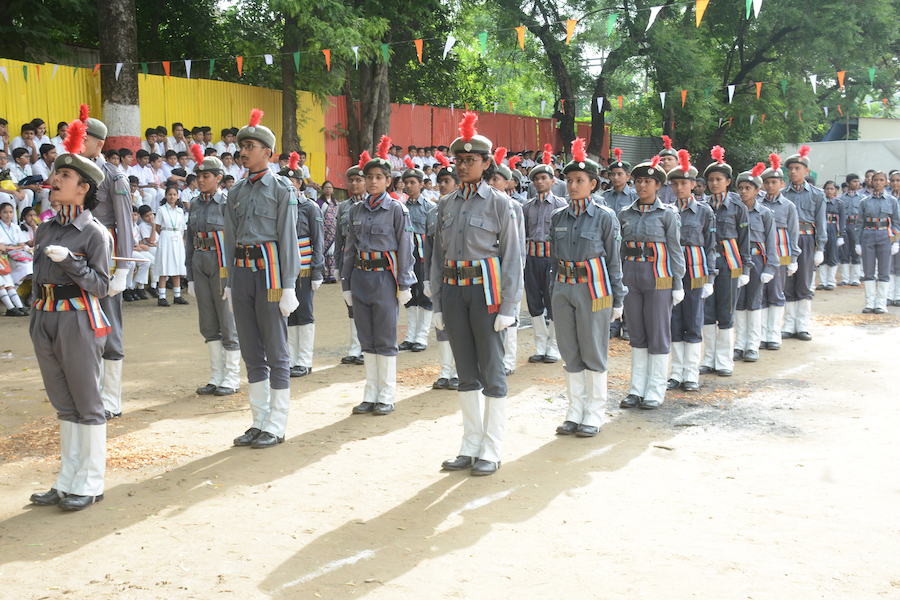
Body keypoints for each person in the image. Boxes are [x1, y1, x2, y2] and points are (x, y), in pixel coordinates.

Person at [431, 113, 522, 476]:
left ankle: (492, 448)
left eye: (472, 160)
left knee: (492, 370)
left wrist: (509, 306)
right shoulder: (446, 204)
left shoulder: (502, 204)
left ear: (486, 164)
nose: (464, 165)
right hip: (454, 291)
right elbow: (437, 257)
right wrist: (437, 302)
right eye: (460, 160)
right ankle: (470, 445)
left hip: (487, 294)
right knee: (465, 371)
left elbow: (513, 257)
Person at [28, 119, 112, 511]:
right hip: (44, 316)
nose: (54, 179)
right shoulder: (45, 231)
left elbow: (101, 285)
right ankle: (67, 479)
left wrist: (73, 265)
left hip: (77, 318)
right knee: (63, 404)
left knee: (87, 402)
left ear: (84, 188)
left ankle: (91, 481)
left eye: (64, 175)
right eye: (55, 173)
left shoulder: (94, 233)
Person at [224, 109, 301, 449]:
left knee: (276, 350)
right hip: (242, 274)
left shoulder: (282, 189)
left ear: (268, 152)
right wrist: (228, 282)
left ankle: (277, 422)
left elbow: (288, 238)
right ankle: (258, 420)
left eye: (250, 145)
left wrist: (290, 285)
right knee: (251, 350)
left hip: (270, 273)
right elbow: (229, 239)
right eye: (241, 145)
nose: (243, 151)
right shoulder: (236, 192)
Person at [549, 138, 626, 433]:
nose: (572, 185)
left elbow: (614, 261)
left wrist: (618, 299)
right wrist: (554, 291)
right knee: (569, 351)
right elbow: (554, 259)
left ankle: (594, 413)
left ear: (593, 184)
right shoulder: (558, 217)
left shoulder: (605, 218)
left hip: (594, 289)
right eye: (569, 180)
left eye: (579, 180)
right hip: (564, 287)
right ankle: (574, 411)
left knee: (593, 351)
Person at [342, 136, 415, 416]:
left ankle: (386, 395)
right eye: (369, 177)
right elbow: (349, 249)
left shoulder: (397, 209)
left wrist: (405, 283)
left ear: (388, 181)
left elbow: (406, 248)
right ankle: (370, 393)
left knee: (385, 339)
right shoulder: (356, 210)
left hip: (386, 279)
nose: (372, 182)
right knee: (366, 339)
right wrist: (346, 282)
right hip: (361, 277)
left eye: (379, 178)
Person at [77, 105, 131, 421]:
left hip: (106, 259)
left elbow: (124, 223)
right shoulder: (71, 172)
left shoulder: (114, 176)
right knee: (80, 326)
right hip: (76, 257)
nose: (76, 142)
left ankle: (111, 398)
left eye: (83, 138)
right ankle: (90, 394)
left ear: (99, 144)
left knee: (109, 326)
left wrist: (123, 268)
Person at [618, 156, 685, 409]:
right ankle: (636, 389)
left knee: (658, 333)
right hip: (631, 277)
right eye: (638, 181)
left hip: (659, 277)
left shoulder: (667, 214)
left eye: (648, 181)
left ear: (658, 185)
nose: (642, 185)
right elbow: (620, 250)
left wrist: (677, 282)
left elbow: (675, 249)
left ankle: (655, 390)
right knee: (636, 334)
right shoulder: (624, 213)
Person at [184, 155, 241, 395]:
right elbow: (190, 241)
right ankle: (216, 376)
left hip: (222, 266)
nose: (200, 180)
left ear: (218, 178)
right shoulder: (195, 204)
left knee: (228, 323)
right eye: (198, 176)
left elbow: (235, 240)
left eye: (206, 176)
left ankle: (232, 377)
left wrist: (235, 277)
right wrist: (189, 275)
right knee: (208, 323)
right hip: (200, 264)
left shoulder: (227, 204)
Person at [666, 150, 716, 392]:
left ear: (694, 185)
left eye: (683, 183)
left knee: (694, 321)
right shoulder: (667, 210)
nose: (679, 188)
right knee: (674, 322)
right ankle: (676, 372)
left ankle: (691, 374)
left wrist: (711, 277)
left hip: (696, 274)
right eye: (674, 183)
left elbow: (711, 246)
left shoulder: (705, 212)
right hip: (672, 274)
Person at [699, 146, 750, 377]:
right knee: (707, 312)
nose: (714, 183)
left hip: (729, 263)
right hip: (707, 265)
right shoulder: (702, 206)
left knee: (726, 312)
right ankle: (709, 358)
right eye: (710, 179)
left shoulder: (738, 206)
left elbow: (744, 240)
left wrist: (746, 268)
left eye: (719, 179)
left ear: (728, 181)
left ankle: (724, 360)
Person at [280, 152, 325, 378]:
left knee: (304, 312)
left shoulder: (310, 207)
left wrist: (317, 270)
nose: (285, 183)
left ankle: (304, 360)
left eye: (289, 180)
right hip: (285, 268)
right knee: (288, 313)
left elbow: (318, 241)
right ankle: (291, 359)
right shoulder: (280, 205)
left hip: (305, 268)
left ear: (299, 183)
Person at [523, 144, 566, 365]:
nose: (539, 182)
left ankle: (553, 347)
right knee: (534, 303)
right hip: (531, 259)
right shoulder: (526, 207)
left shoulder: (561, 206)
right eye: (536, 179)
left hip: (552, 260)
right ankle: (540, 346)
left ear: (553, 180)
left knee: (553, 302)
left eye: (543, 178)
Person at [732, 165, 778, 363]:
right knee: (739, 303)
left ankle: (753, 345)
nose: (743, 191)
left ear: (757, 191)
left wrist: (770, 267)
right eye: (740, 188)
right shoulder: (733, 211)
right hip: (738, 261)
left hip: (758, 260)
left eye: (748, 188)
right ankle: (740, 343)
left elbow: (771, 242)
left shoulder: (765, 213)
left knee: (754, 302)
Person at [781, 146, 826, 341]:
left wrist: (820, 248)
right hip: (787, 241)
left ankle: (803, 324)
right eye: (790, 168)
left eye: (797, 168)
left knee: (805, 282)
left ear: (806, 171)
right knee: (788, 283)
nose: (792, 172)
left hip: (807, 238)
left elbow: (821, 222)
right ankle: (789, 324)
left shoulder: (817, 194)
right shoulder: (782, 193)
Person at [425, 151, 460, 390]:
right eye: (440, 182)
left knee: (460, 326)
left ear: (457, 184)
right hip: (443, 275)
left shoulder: (464, 208)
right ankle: (445, 371)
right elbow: (430, 251)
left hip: (463, 274)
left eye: (447, 181)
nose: (442, 185)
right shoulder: (432, 212)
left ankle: (459, 370)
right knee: (441, 326)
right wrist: (429, 279)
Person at [760, 155, 800, 351]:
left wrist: (794, 258)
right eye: (766, 182)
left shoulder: (789, 206)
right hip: (762, 253)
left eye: (774, 182)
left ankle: (773, 334)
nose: (769, 186)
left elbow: (793, 233)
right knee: (761, 294)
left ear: (782, 184)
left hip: (781, 254)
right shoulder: (757, 204)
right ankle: (761, 334)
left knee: (776, 293)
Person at [398, 158, 436, 353]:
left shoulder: (429, 207)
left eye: (413, 182)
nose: (409, 186)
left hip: (423, 257)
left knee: (425, 297)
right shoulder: (400, 208)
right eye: (407, 182)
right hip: (406, 258)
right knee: (410, 297)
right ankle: (410, 336)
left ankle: (422, 336)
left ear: (422, 184)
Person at [335, 154, 367, 366]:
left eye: (358, 180)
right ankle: (355, 347)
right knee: (351, 306)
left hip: (370, 262)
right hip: (350, 262)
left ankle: (366, 347)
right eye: (351, 180)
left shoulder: (372, 204)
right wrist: (338, 266)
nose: (354, 184)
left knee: (367, 305)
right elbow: (340, 239)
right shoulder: (343, 207)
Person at [603, 148, 637, 340]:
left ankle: (628, 325)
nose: (616, 178)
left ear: (628, 176)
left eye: (620, 174)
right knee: (610, 283)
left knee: (628, 285)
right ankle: (613, 325)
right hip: (609, 247)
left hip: (627, 247)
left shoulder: (634, 197)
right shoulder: (604, 197)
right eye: (613, 174)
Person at [855, 171, 900, 314]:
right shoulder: (864, 201)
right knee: (868, 271)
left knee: (884, 271)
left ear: (886, 182)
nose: (878, 183)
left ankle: (881, 303)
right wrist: (857, 242)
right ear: (871, 182)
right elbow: (860, 223)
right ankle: (869, 302)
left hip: (885, 236)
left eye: (881, 180)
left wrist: (895, 242)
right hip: (868, 235)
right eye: (875, 180)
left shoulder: (892, 201)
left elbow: (896, 224)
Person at [154, 185, 188, 306]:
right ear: (166, 196)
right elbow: (157, 226)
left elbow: (182, 226)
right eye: (170, 194)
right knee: (164, 265)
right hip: (166, 235)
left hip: (177, 236)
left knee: (177, 265)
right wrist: (165, 234)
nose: (172, 197)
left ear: (178, 196)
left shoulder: (179, 211)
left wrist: (181, 238)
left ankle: (177, 295)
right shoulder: (161, 210)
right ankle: (162, 296)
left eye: (174, 194)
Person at [817, 181, 845, 291]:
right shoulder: (820, 202)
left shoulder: (839, 203)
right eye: (827, 188)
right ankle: (823, 281)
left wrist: (841, 235)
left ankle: (831, 281)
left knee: (833, 255)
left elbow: (842, 220)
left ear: (836, 190)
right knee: (822, 254)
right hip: (822, 229)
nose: (829, 191)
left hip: (833, 229)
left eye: (832, 189)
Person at [839, 173, 864, 286]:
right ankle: (845, 278)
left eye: (858, 181)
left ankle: (855, 278)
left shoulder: (862, 198)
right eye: (854, 181)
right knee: (844, 251)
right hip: (845, 225)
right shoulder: (841, 198)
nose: (857, 184)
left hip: (856, 226)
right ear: (848, 183)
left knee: (856, 251)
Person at [124, 206, 152, 301]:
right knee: (140, 262)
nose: (133, 217)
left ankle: (133, 287)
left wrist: (142, 247)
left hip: (135, 249)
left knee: (147, 262)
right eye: (131, 215)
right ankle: (130, 288)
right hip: (127, 250)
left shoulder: (136, 226)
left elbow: (139, 242)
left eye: (135, 215)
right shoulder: (125, 226)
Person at [316, 181, 339, 283]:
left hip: (334, 233)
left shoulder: (336, 203)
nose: (328, 189)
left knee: (332, 253)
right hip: (323, 232)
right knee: (323, 253)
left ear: (332, 189)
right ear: (322, 189)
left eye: (330, 187)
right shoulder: (318, 203)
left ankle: (332, 275)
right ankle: (325, 275)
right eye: (326, 187)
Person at [656, 135, 678, 204]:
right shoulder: (655, 182)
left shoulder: (680, 183)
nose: (666, 162)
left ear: (677, 163)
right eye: (663, 159)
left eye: (670, 159)